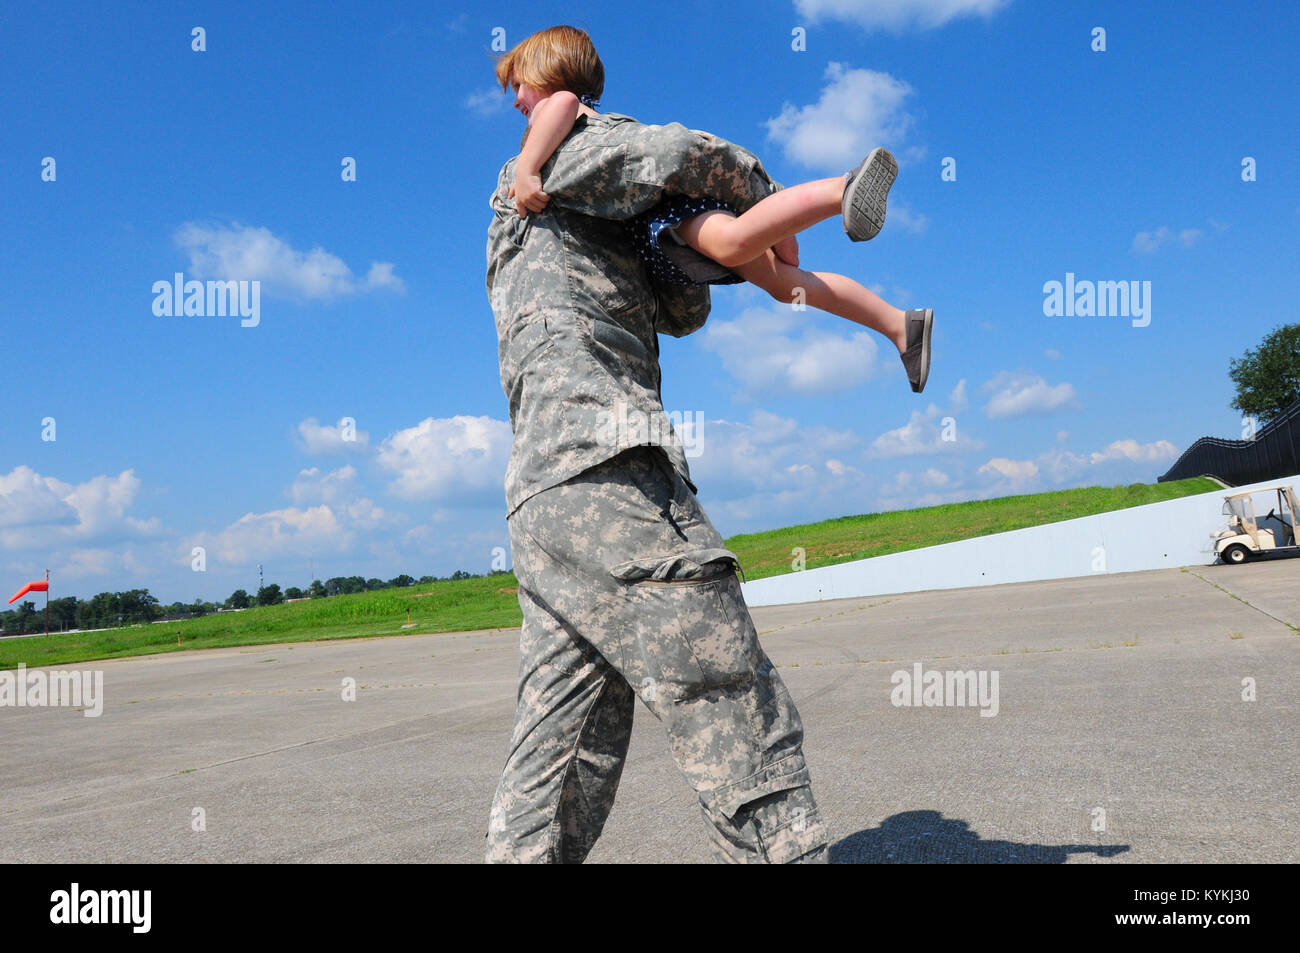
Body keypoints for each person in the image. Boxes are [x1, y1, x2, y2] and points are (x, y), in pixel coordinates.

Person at [484, 24, 831, 863]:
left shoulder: (532, 206)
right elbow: (674, 151)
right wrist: (763, 196)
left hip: (542, 496)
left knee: (559, 749)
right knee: (727, 698)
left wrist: (685, 251)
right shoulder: (563, 154)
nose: (517, 102)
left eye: (519, 86)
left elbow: (678, 312)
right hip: (609, 476)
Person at [506, 61, 935, 393]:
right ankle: (900, 324)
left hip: (671, 213)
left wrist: (526, 170)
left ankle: (840, 189)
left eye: (519, 85)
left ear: (549, 73)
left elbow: (560, 103)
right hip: (672, 227)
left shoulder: (560, 109)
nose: (515, 101)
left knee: (732, 243)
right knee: (787, 286)